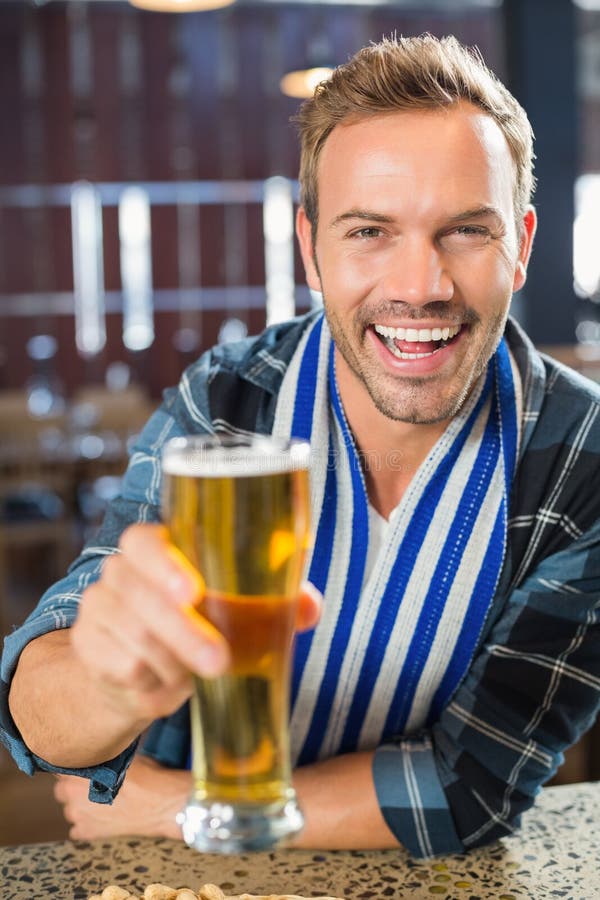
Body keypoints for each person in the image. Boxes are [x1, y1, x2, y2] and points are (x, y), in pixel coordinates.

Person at [2, 33, 599, 859]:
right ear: (310, 246)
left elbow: (471, 787)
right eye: (369, 232)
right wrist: (106, 679)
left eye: (465, 230)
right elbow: (39, 717)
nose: (420, 285)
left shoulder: (581, 457)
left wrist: (167, 806)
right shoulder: (228, 397)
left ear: (522, 244)